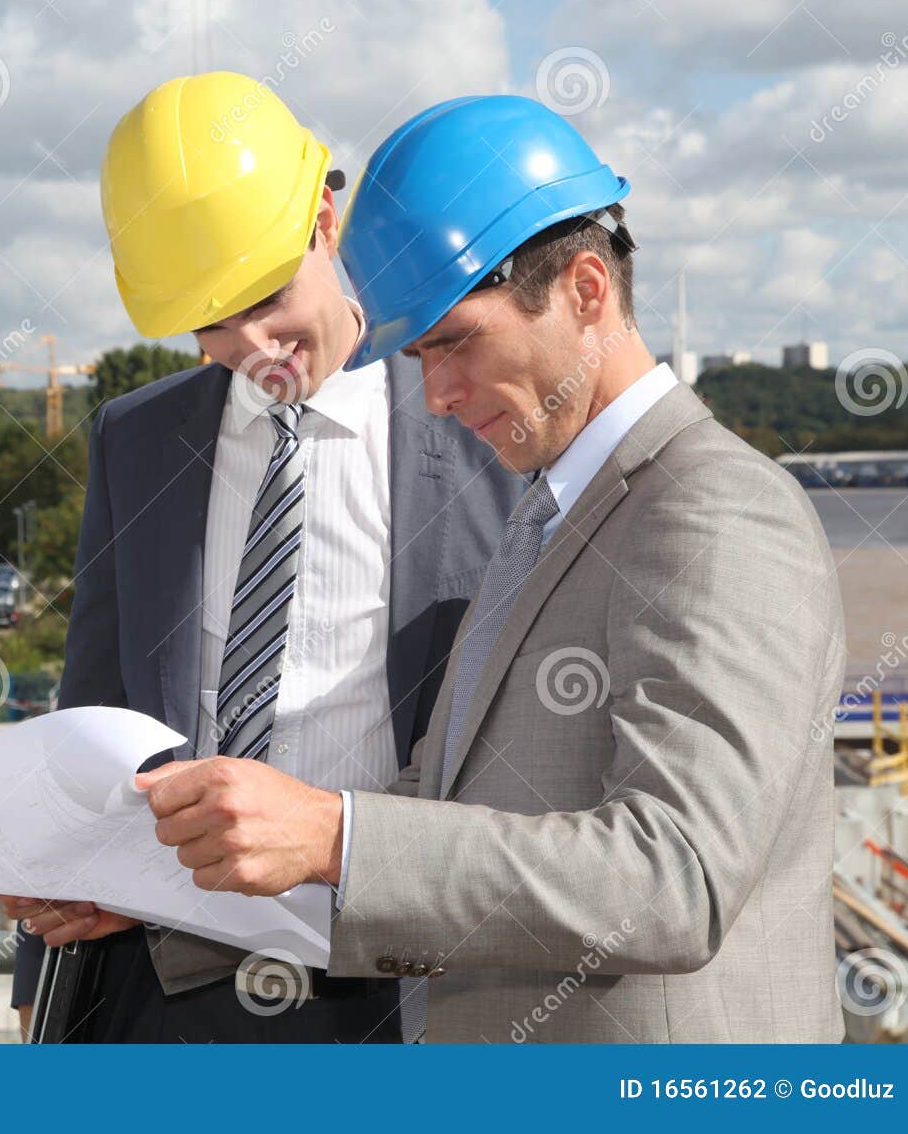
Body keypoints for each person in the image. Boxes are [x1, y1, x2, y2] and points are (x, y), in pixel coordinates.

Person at [134, 94, 846, 1042]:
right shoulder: (548, 515)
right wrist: (168, 877)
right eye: (418, 355)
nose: (435, 394)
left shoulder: (715, 508)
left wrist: (336, 833)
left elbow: (677, 878)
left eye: (457, 340)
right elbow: (442, 812)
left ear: (586, 289)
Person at [0, 72, 521, 1043]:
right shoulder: (134, 439)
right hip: (159, 992)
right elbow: (93, 701)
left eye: (266, 297)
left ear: (327, 218)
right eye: (210, 320)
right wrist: (44, 971)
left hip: (397, 992)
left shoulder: (487, 441)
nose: (250, 344)